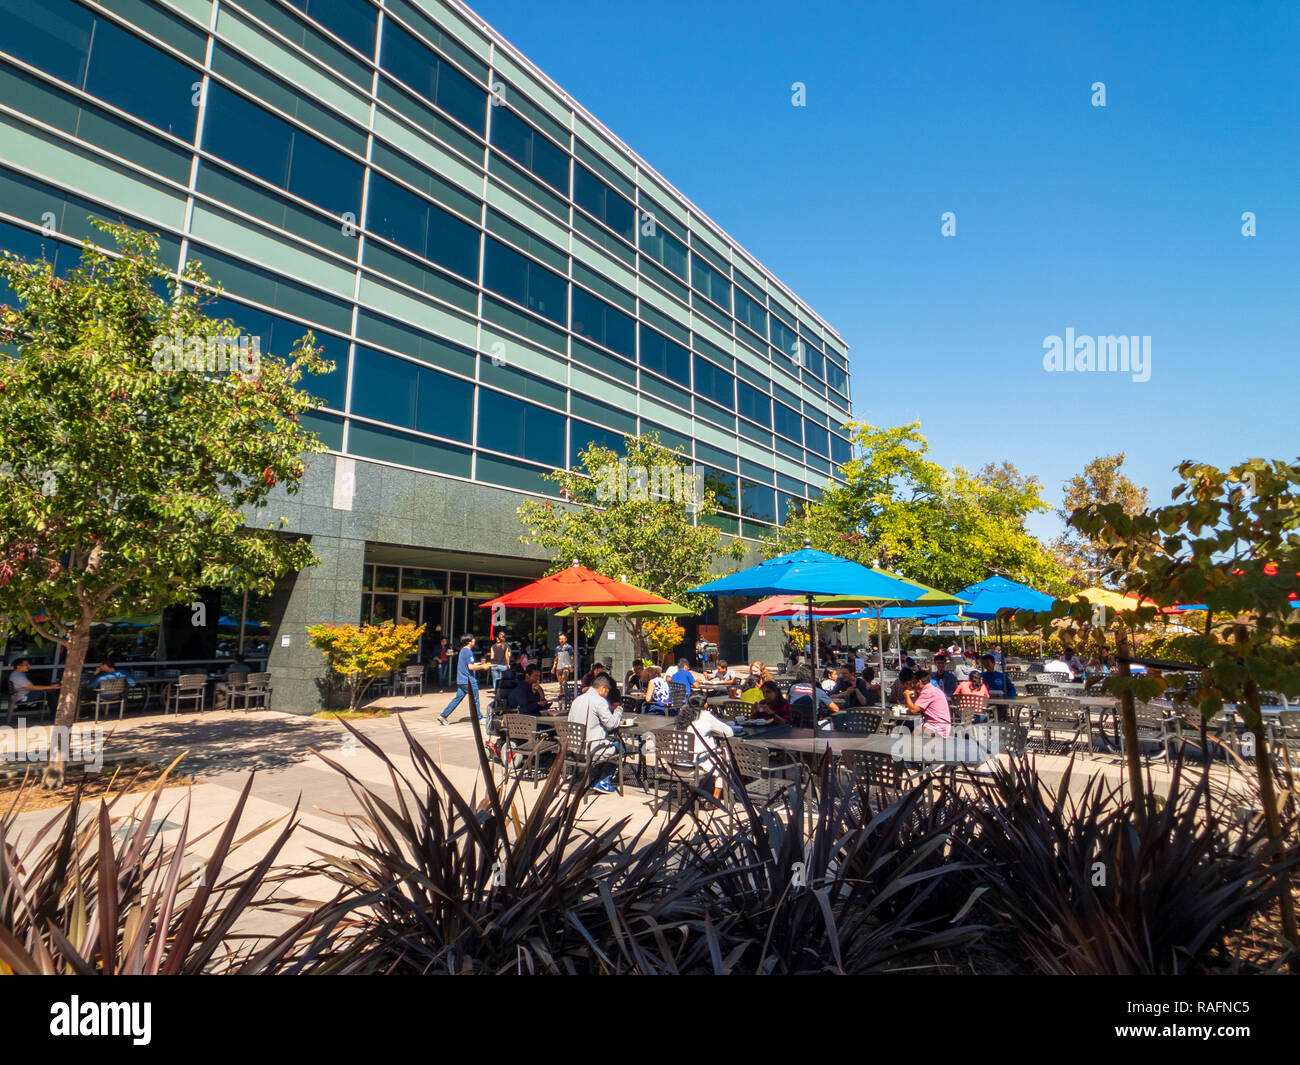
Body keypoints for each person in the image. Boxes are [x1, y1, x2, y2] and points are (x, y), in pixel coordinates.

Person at [675, 694, 739, 799]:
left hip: (675, 764)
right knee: (724, 759)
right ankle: (716, 797)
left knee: (694, 751)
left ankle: (692, 793)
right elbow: (729, 732)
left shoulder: (681, 716)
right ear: (705, 705)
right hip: (694, 766)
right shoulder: (706, 716)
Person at [567, 673, 622, 793]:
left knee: (607, 742)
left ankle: (593, 776)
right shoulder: (600, 701)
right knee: (619, 747)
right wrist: (618, 712)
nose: (607, 695)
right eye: (607, 692)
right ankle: (604, 781)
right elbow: (612, 724)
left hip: (575, 747)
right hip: (592, 748)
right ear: (603, 688)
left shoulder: (577, 700)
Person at [437, 634, 492, 725]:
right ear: (469, 642)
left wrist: (477, 664)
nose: (474, 640)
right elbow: (470, 667)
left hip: (461, 680)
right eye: (473, 639)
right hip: (469, 680)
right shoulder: (468, 652)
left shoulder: (462, 651)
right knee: (475, 699)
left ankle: (443, 716)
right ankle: (480, 718)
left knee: (457, 699)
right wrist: (483, 666)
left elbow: (467, 665)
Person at [903, 668, 951, 737]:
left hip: (938, 727)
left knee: (916, 732)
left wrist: (907, 696)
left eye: (913, 683)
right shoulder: (932, 688)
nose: (913, 685)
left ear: (919, 682)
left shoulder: (927, 692)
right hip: (939, 724)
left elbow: (914, 710)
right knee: (917, 730)